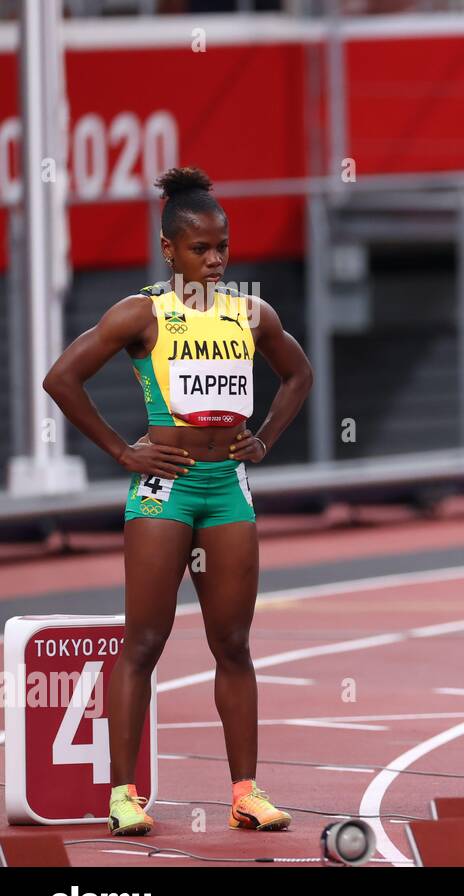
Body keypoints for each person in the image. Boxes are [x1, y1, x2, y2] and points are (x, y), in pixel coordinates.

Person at [42, 167, 314, 835]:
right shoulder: (142, 312)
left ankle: (246, 791)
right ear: (170, 250)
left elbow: (298, 373)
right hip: (165, 486)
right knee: (144, 641)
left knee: (234, 642)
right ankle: (123, 794)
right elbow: (61, 378)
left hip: (226, 487)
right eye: (201, 248)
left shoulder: (250, 312)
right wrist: (120, 451)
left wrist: (266, 439)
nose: (216, 260)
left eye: (223, 246)